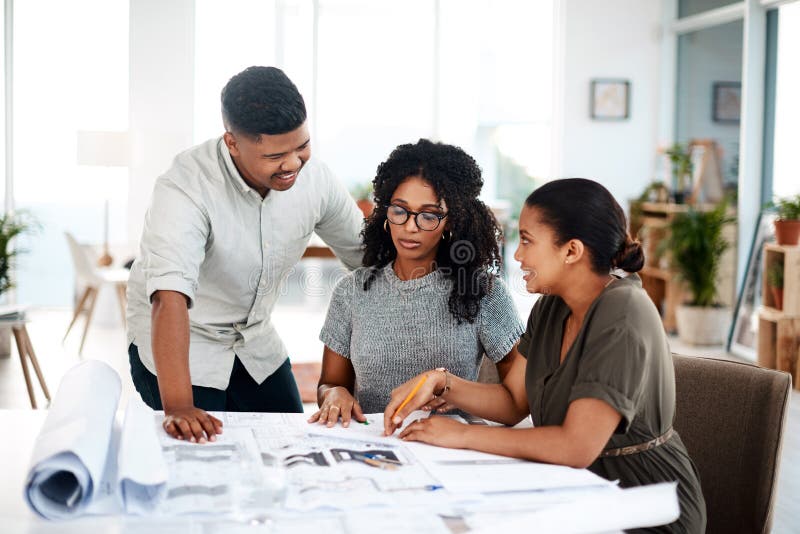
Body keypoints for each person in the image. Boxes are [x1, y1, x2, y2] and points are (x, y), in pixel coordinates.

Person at [383, 178, 706, 533]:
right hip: (571, 491)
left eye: (526, 240)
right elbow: (513, 403)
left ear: (571, 250)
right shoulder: (551, 307)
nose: (517, 255)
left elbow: (575, 446)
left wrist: (460, 435)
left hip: (641, 505)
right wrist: (440, 382)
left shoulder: (623, 312)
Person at [126, 66, 364, 443]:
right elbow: (169, 298)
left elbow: (368, 256)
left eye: (302, 146)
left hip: (254, 340)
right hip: (185, 338)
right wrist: (179, 408)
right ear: (232, 143)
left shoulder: (316, 179)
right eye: (275, 155)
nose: (293, 164)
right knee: (200, 447)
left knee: (291, 441)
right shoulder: (185, 186)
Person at [308, 139, 524, 427]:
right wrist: (334, 394)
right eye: (400, 211)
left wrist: (449, 386)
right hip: (375, 443)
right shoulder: (352, 291)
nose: (410, 227)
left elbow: (517, 404)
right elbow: (331, 383)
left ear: (451, 220)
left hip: (451, 446)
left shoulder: (484, 292)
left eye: (429, 215)